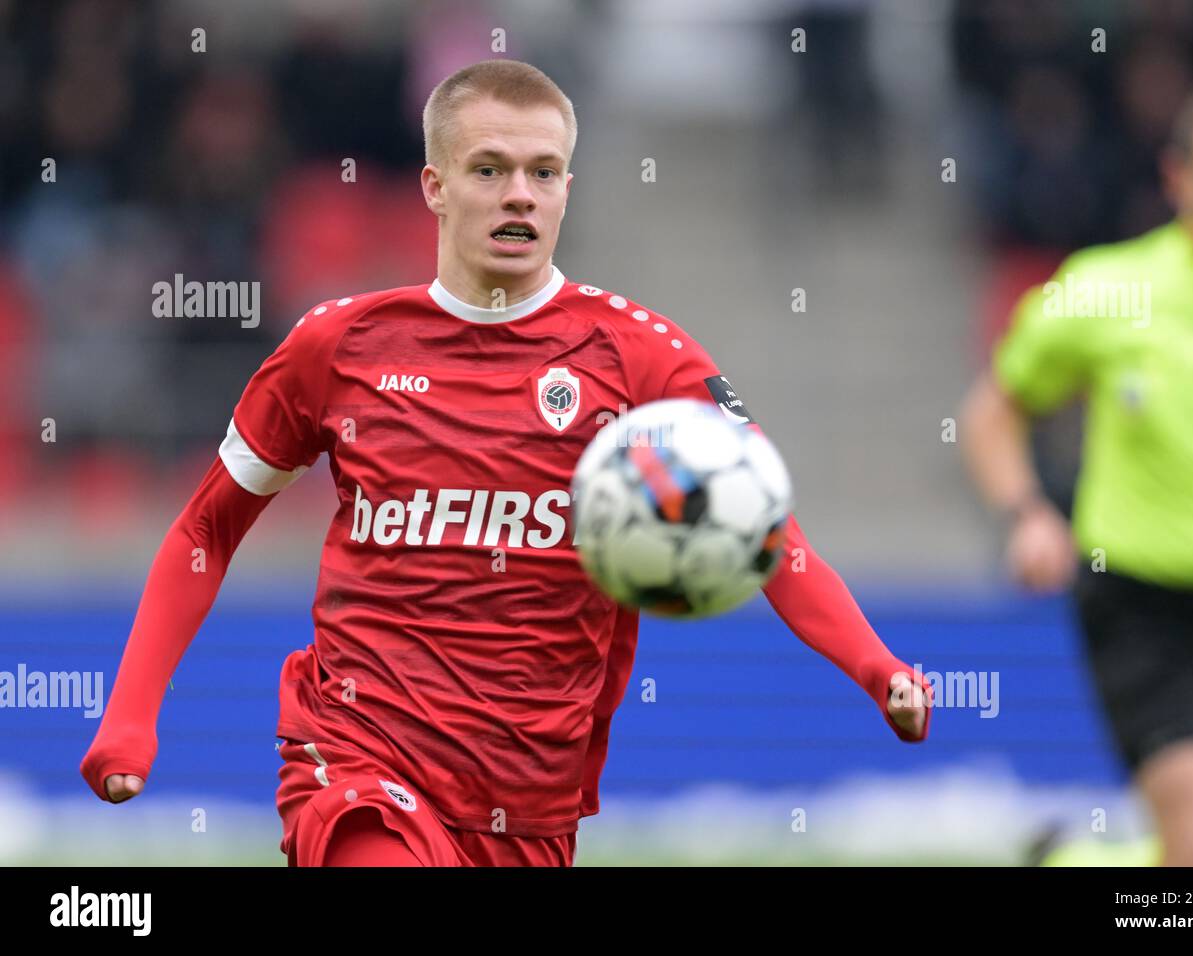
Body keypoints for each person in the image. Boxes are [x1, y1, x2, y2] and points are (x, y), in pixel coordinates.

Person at [80, 58, 931, 867]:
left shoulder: (641, 359)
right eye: (488, 170)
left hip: (530, 799)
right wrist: (131, 716)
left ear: (567, 187)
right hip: (358, 756)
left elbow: (766, 531)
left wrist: (876, 665)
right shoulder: (339, 345)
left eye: (544, 171)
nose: (519, 193)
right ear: (435, 188)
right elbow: (206, 527)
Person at [961, 75, 1193, 867]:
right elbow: (993, 413)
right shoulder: (1108, 290)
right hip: (1141, 604)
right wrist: (1028, 513)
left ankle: (1070, 863)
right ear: (1176, 177)